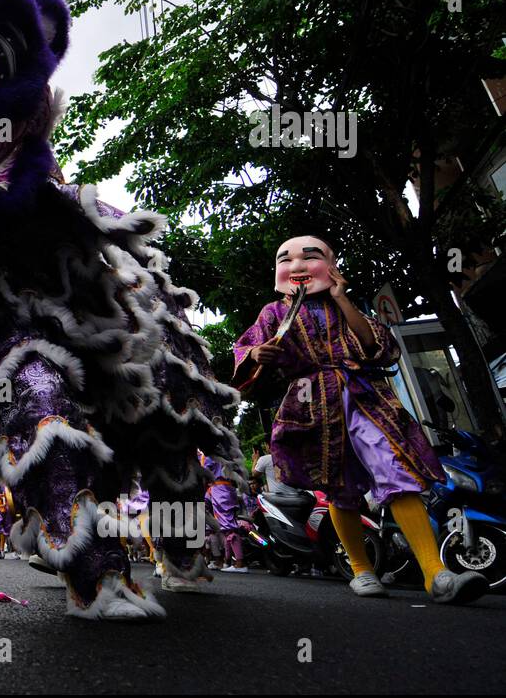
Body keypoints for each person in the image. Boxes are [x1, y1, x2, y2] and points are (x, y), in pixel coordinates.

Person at [233, 234, 488, 604]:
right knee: (340, 487)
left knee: (397, 474)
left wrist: (341, 297)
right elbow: (245, 350)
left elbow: (378, 347)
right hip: (313, 406)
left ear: (332, 265)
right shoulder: (273, 313)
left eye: (310, 257)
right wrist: (258, 352)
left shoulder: (345, 306)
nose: (298, 266)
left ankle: (437, 574)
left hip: (367, 399)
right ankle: (361, 569)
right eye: (285, 259)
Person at [203, 452, 249, 573]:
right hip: (223, 489)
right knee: (222, 527)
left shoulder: (213, 452)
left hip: (220, 489)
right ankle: (225, 561)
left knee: (229, 528)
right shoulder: (230, 450)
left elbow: (205, 472)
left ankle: (239, 563)